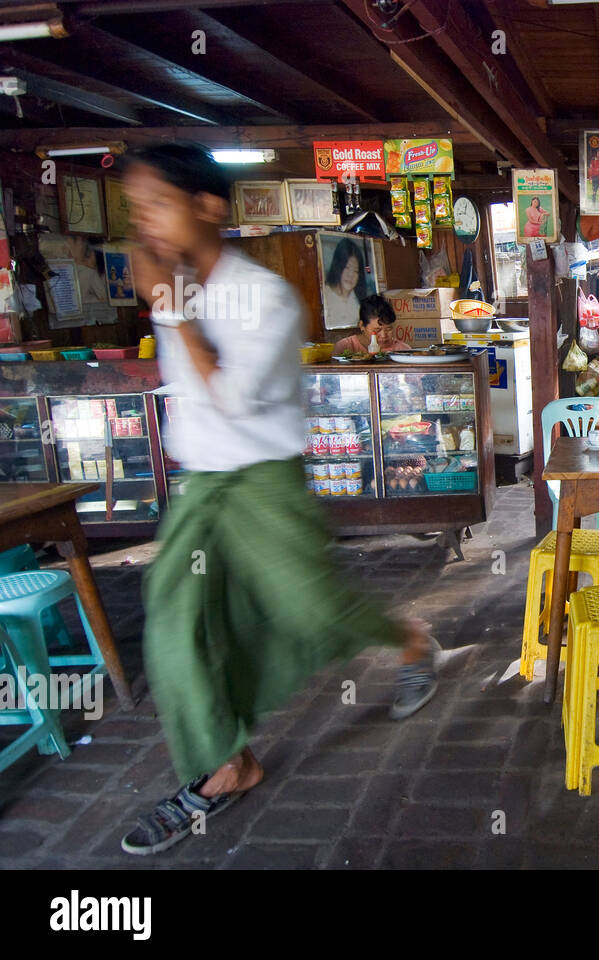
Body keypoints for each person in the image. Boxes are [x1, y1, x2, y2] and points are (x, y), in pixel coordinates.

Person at [118, 143, 436, 857]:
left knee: (312, 608)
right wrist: (171, 304)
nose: (145, 226)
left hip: (263, 481)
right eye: (136, 212)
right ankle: (226, 765)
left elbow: (228, 397)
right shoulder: (182, 294)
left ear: (208, 208)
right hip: (202, 486)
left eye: (157, 206)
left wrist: (167, 308)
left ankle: (413, 641)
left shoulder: (262, 297)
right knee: (174, 630)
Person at [333, 294, 411, 355]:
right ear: (362, 326)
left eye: (388, 329)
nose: (383, 335)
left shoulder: (402, 350)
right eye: (377, 330)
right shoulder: (345, 347)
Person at [321, 237, 368, 331]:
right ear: (338, 267)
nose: (350, 275)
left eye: (355, 271)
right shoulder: (324, 295)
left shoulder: (360, 301)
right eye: (347, 267)